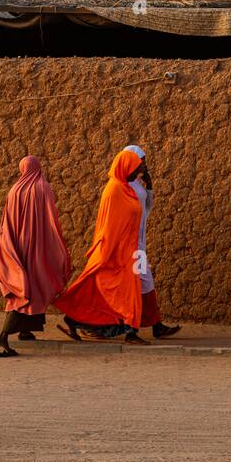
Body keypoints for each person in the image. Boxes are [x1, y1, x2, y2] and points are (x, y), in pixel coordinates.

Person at [54, 147, 146, 343]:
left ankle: (75, 320)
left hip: (128, 251)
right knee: (117, 293)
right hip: (115, 253)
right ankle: (130, 332)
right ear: (124, 167)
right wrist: (106, 255)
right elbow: (109, 227)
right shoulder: (114, 191)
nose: (138, 172)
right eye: (135, 168)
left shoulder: (125, 188)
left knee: (120, 293)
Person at [0, 155, 71, 358]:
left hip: (17, 247)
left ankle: (25, 331)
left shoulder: (14, 190)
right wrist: (56, 244)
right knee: (33, 287)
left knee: (23, 287)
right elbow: (51, 218)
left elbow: (5, 224)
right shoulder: (42, 187)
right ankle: (4, 334)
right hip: (36, 246)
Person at [123, 144, 181, 342]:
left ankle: (154, 325)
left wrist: (150, 186)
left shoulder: (136, 183)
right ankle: (133, 330)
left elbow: (146, 209)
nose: (143, 165)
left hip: (139, 245)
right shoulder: (123, 185)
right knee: (140, 283)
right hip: (130, 247)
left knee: (143, 283)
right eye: (140, 161)